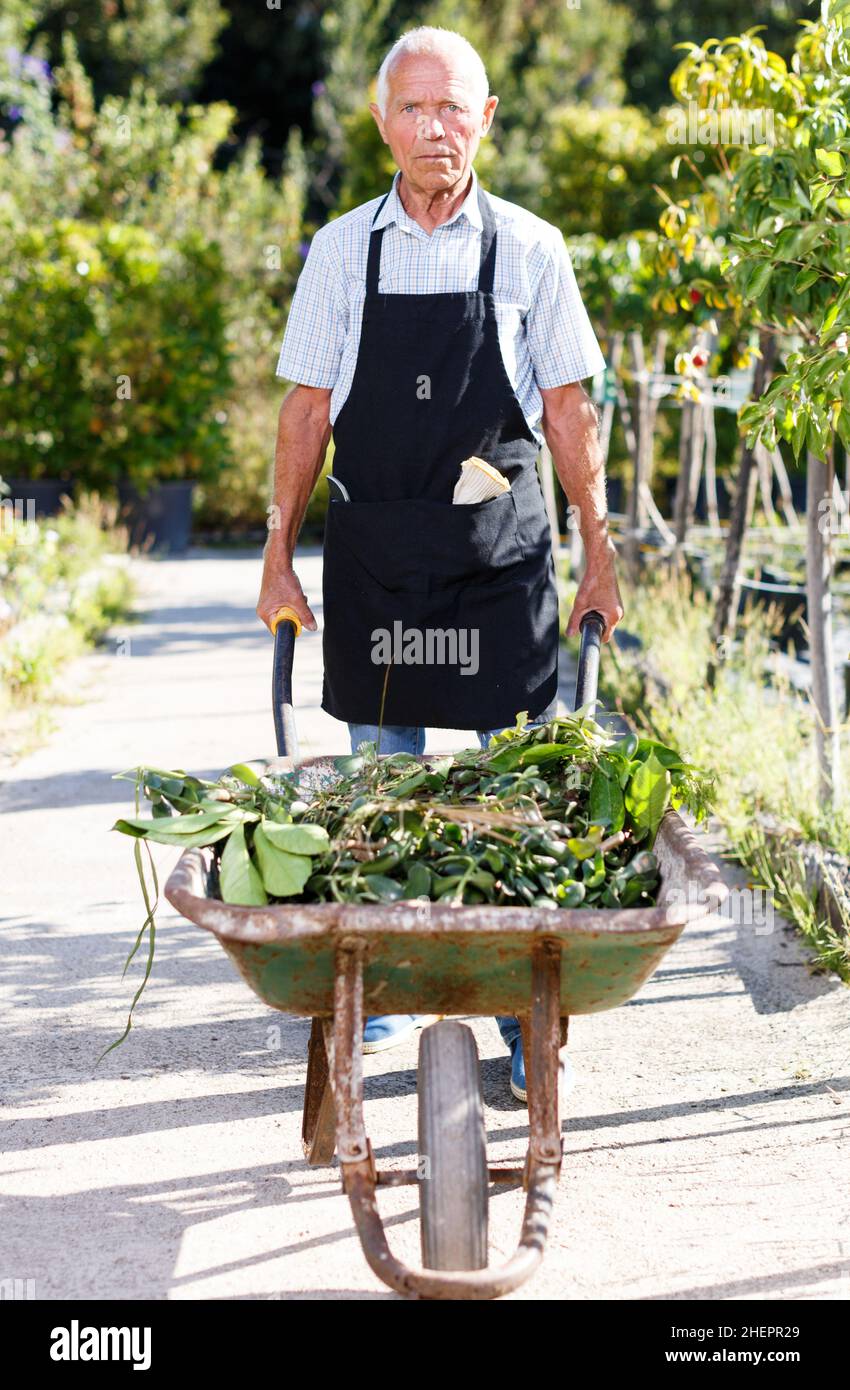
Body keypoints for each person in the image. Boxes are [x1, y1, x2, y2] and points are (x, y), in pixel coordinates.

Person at [257, 25, 623, 1103]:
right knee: (380, 800)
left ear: (486, 119)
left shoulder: (531, 249)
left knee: (518, 804)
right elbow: (307, 411)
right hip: (380, 568)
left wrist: (598, 548)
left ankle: (523, 1024)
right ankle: (369, 1005)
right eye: (412, 108)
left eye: (452, 107)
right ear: (381, 122)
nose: (432, 128)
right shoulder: (340, 251)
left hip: (501, 568)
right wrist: (277, 554)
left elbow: (567, 410)